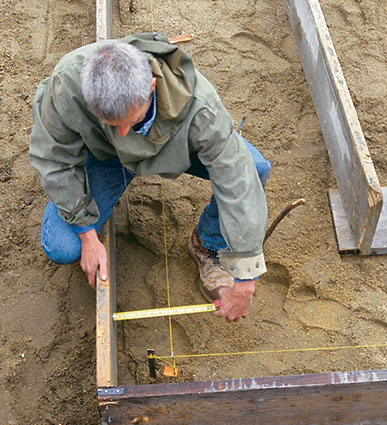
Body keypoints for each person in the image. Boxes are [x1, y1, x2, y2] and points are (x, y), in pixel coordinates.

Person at [29, 32, 270, 322]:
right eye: (110, 124)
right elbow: (54, 160)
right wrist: (87, 234)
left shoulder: (199, 106)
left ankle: (208, 243)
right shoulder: (67, 85)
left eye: (131, 121)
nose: (121, 133)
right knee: (62, 246)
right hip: (105, 159)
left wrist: (244, 279)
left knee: (254, 170)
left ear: (151, 87)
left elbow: (236, 178)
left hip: (174, 148)